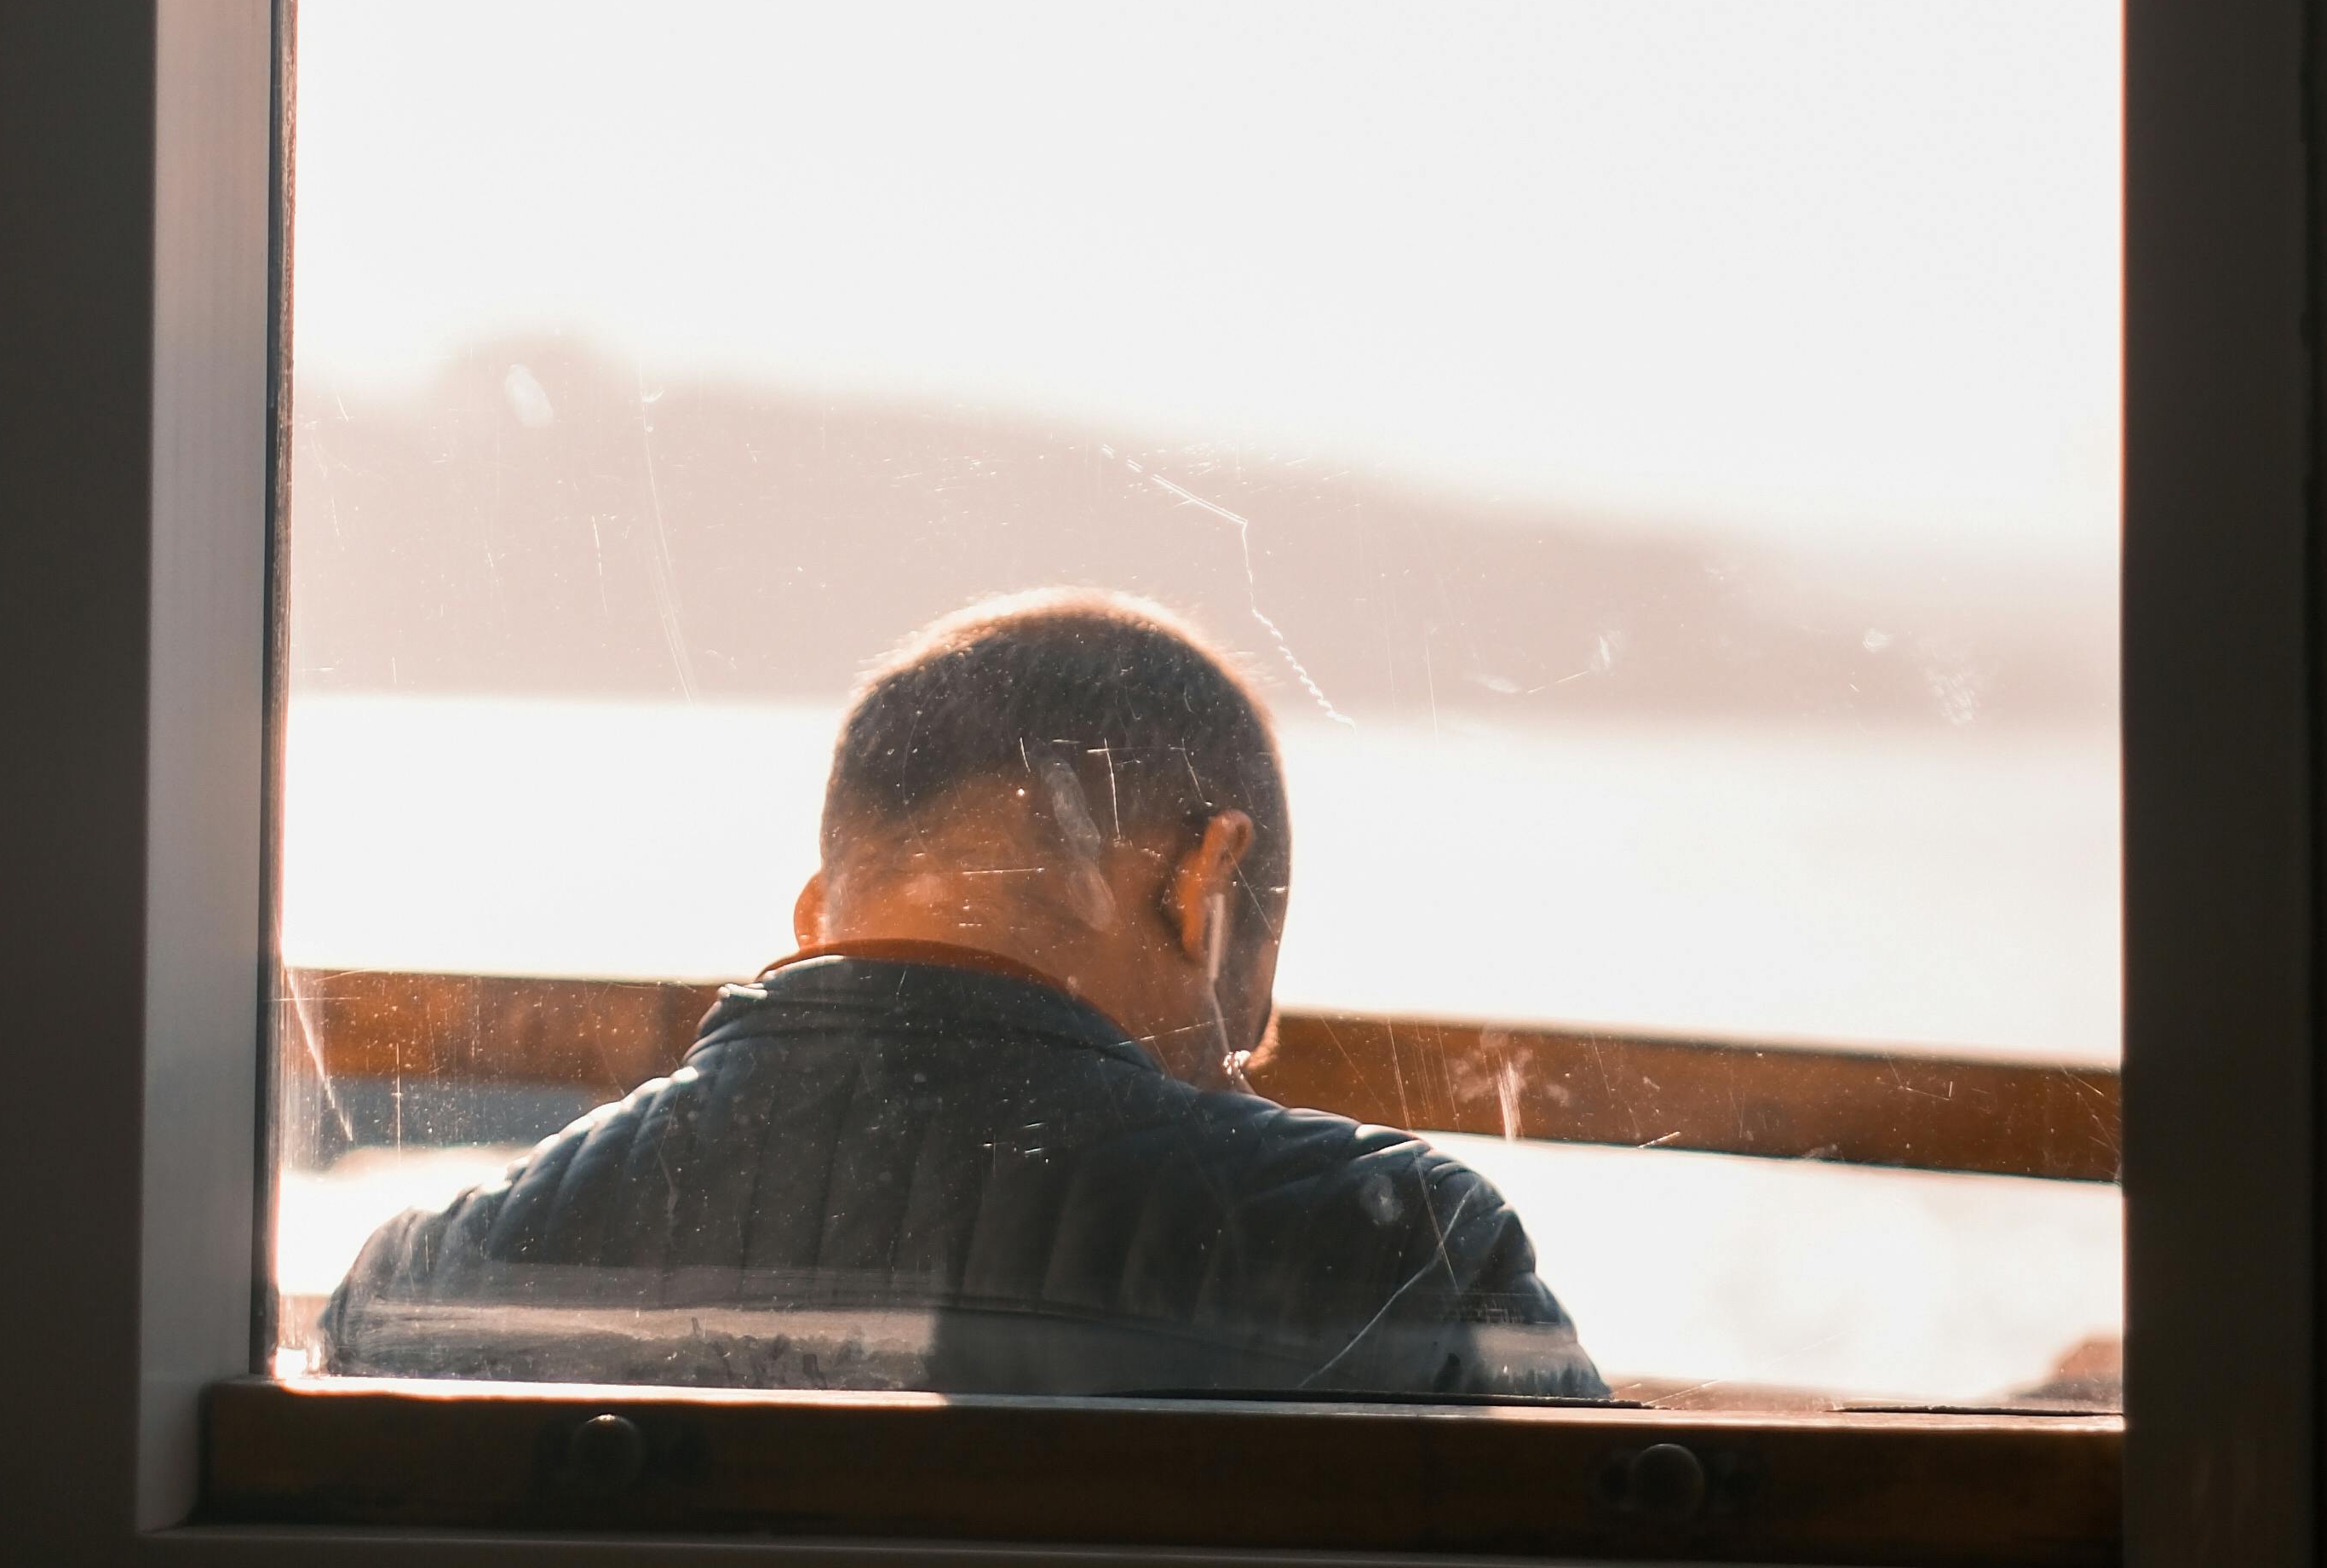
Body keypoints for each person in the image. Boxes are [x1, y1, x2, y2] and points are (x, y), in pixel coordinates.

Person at [319, 587, 1605, 1401]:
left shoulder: (432, 1285)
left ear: (819, 910)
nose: (1242, 1059)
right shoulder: (1402, 1259)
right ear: (1203, 886)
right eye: (1247, 1011)